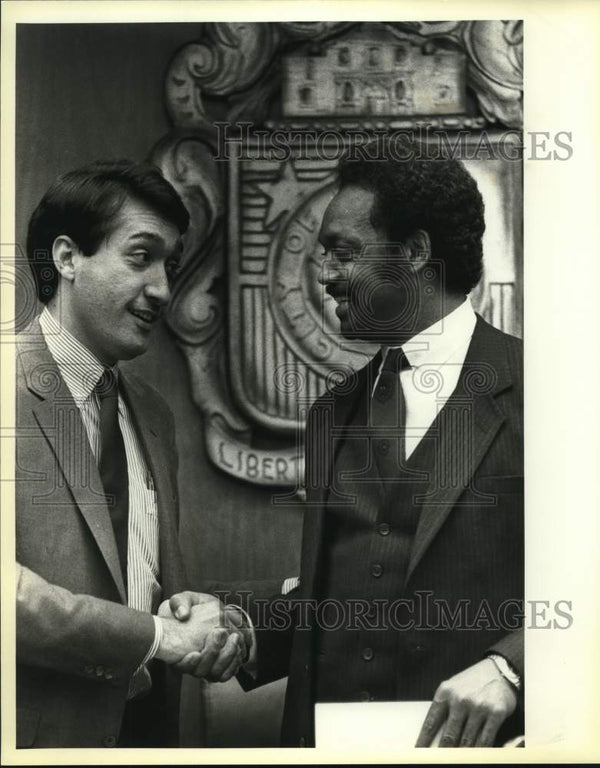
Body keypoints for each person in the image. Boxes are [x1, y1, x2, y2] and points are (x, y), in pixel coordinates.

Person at [175, 136, 524, 748]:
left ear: (414, 253)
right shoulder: (333, 411)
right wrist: (240, 623)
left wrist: (512, 666)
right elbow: (341, 597)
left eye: (343, 253)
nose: (326, 275)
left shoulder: (553, 391)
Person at [15, 160, 245, 748]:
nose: (164, 289)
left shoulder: (151, 412)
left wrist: (185, 611)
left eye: (170, 264)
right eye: (141, 258)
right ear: (67, 258)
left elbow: (138, 579)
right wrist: (155, 636)